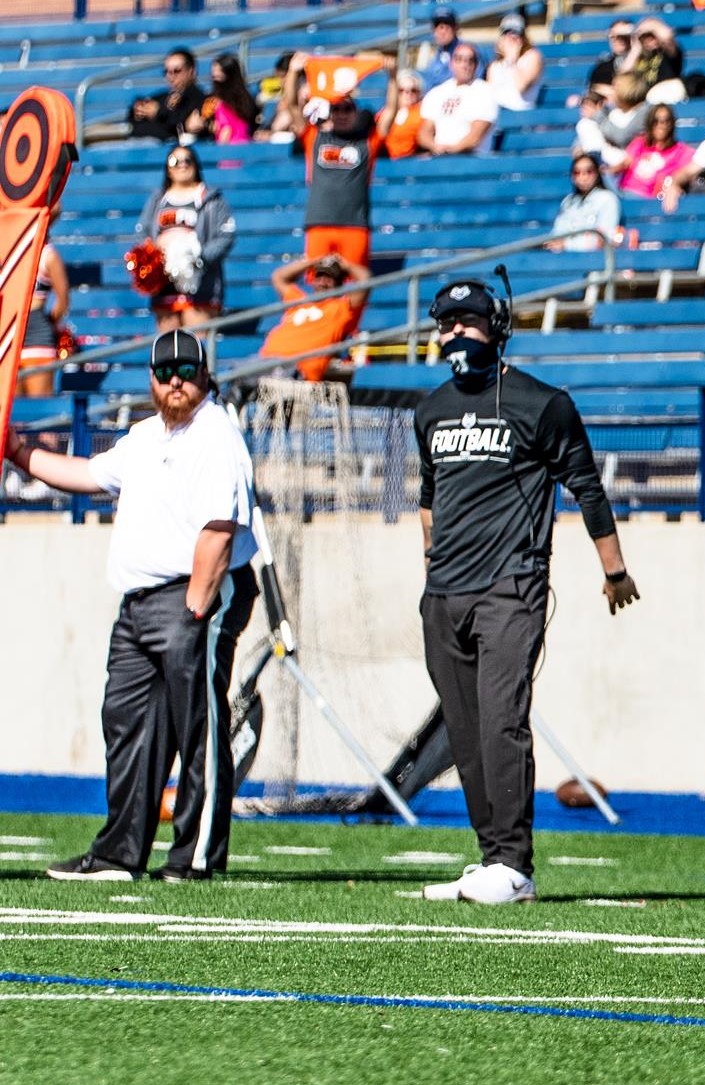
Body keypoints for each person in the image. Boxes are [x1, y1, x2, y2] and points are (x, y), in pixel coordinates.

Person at [414, 279, 640, 905]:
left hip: (510, 588)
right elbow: (429, 499)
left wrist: (614, 570)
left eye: (468, 321)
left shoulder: (542, 403)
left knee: (501, 719)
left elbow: (586, 486)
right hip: (445, 594)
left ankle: (515, 865)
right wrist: (431, 574)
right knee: (464, 733)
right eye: (446, 323)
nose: (456, 332)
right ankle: (491, 856)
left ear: (498, 327)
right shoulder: (430, 410)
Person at [6, 331, 258, 882]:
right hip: (139, 602)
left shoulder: (216, 436)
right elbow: (85, 475)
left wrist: (195, 609)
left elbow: (219, 530)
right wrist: (18, 452)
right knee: (126, 725)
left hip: (194, 594)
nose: (175, 382)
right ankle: (119, 853)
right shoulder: (145, 437)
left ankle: (193, 856)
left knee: (197, 726)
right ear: (150, 378)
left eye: (186, 371)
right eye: (165, 372)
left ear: (205, 375)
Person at [289, 52, 392, 274]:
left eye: (348, 109)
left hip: (355, 226)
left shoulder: (367, 143)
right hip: (319, 225)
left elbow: (391, 111)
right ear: (330, 113)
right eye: (336, 109)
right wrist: (292, 72)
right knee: (319, 282)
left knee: (354, 285)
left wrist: (392, 77)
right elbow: (292, 107)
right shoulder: (315, 138)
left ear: (355, 112)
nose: (342, 114)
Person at [140, 147, 236, 331]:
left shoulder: (212, 199)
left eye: (188, 160)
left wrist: (197, 259)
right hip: (164, 286)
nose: (182, 165)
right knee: (168, 346)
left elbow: (225, 237)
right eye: (175, 161)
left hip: (201, 287)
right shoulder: (157, 200)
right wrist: (155, 256)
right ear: (167, 168)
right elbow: (142, 234)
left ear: (196, 165)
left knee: (196, 343)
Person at [262, 253, 368, 381]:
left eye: (329, 278)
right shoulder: (298, 300)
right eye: (319, 277)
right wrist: (312, 262)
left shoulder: (341, 307)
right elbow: (278, 276)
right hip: (266, 361)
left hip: (296, 370)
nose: (322, 282)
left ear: (339, 284)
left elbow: (365, 279)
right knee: (239, 370)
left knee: (244, 379)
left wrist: (345, 265)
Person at [419, 42, 498, 156]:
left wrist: (451, 150)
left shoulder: (485, 92)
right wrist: (434, 146)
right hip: (439, 157)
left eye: (470, 60)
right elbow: (424, 132)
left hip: (472, 158)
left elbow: (475, 137)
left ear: (476, 65)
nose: (464, 65)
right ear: (451, 63)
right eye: (459, 59)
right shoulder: (437, 93)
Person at [17, 239, 69, 397]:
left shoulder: (47, 254)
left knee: (38, 407)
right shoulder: (8, 249)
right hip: (8, 339)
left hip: (37, 339)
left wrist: (49, 323)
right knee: (11, 410)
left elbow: (63, 302)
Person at [128, 48, 209, 142]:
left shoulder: (200, 100)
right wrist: (138, 110)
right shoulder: (163, 97)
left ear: (191, 72)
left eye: (176, 71)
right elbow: (134, 123)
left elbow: (181, 126)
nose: (170, 77)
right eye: (166, 72)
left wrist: (158, 113)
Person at [616, 105, 693, 199]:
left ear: (671, 124)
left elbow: (689, 172)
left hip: (653, 199)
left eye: (666, 121)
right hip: (625, 192)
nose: (661, 125)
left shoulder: (681, 151)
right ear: (650, 123)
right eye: (655, 121)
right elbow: (625, 163)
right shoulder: (639, 142)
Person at [551, 153, 622, 251]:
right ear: (572, 177)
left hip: (595, 258)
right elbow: (557, 233)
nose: (583, 177)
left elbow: (604, 239)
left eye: (589, 171)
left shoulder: (608, 199)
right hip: (563, 257)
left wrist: (567, 245)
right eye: (577, 172)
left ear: (597, 173)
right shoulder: (568, 201)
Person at [487, 14, 545, 112]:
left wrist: (512, 60)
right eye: (507, 33)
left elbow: (521, 86)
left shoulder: (532, 56)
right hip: (497, 112)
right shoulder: (495, 65)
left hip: (522, 113)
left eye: (516, 34)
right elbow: (490, 94)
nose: (511, 38)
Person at [206, 54, 261, 144]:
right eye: (214, 70)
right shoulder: (212, 98)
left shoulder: (243, 98)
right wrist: (209, 125)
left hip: (240, 141)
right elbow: (206, 119)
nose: (214, 74)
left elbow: (251, 119)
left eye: (219, 70)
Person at [631, 18, 685, 100]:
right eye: (645, 37)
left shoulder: (667, 52)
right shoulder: (639, 56)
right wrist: (635, 48)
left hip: (664, 95)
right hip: (641, 97)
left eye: (652, 35)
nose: (649, 39)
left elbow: (667, 36)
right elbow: (622, 73)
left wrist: (652, 25)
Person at [383, 70, 427, 159]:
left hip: (411, 161)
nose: (408, 94)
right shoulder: (385, 114)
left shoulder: (424, 113)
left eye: (413, 90)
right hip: (386, 161)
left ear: (420, 93)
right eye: (401, 90)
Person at [416, 7, 461, 90]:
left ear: (455, 29)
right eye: (439, 27)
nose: (443, 32)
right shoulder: (436, 57)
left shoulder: (467, 52)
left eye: (447, 27)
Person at [586, 20, 635, 93]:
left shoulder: (642, 63)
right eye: (613, 36)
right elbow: (594, 92)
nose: (617, 40)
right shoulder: (602, 68)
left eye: (622, 36)